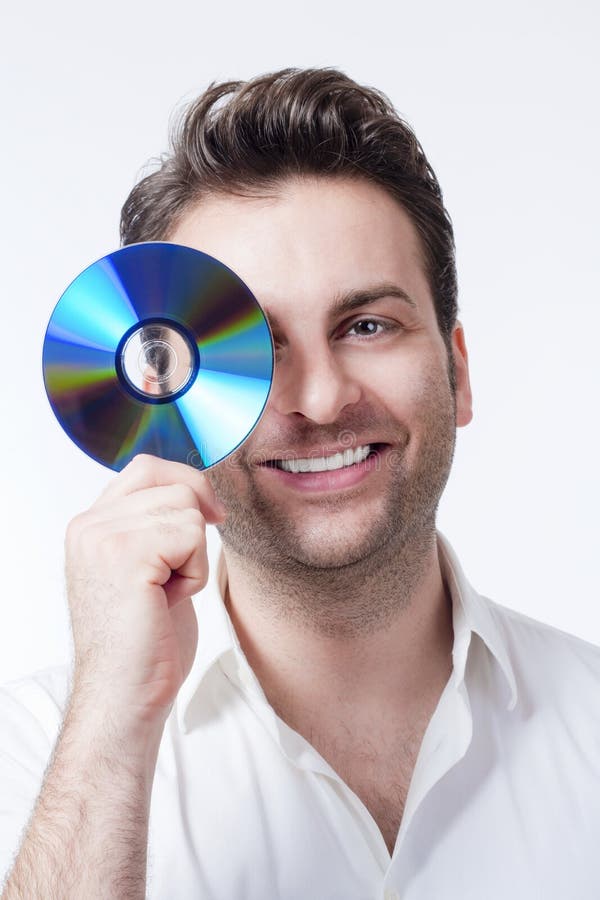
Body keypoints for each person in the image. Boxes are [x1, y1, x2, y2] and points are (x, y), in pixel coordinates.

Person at [1, 67, 599, 900]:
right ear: (163, 396)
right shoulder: (36, 761)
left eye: (366, 325)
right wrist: (110, 730)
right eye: (258, 347)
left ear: (457, 373)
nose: (320, 399)